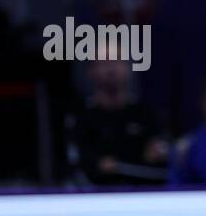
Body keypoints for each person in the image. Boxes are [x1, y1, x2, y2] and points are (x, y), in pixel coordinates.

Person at [65, 45, 169, 187]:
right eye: (104, 63)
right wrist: (99, 165)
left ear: (128, 68)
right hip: (95, 197)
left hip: (144, 196)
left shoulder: (147, 114)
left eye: (117, 61)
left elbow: (160, 158)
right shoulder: (80, 118)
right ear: (91, 71)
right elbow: (77, 163)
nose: (111, 69)